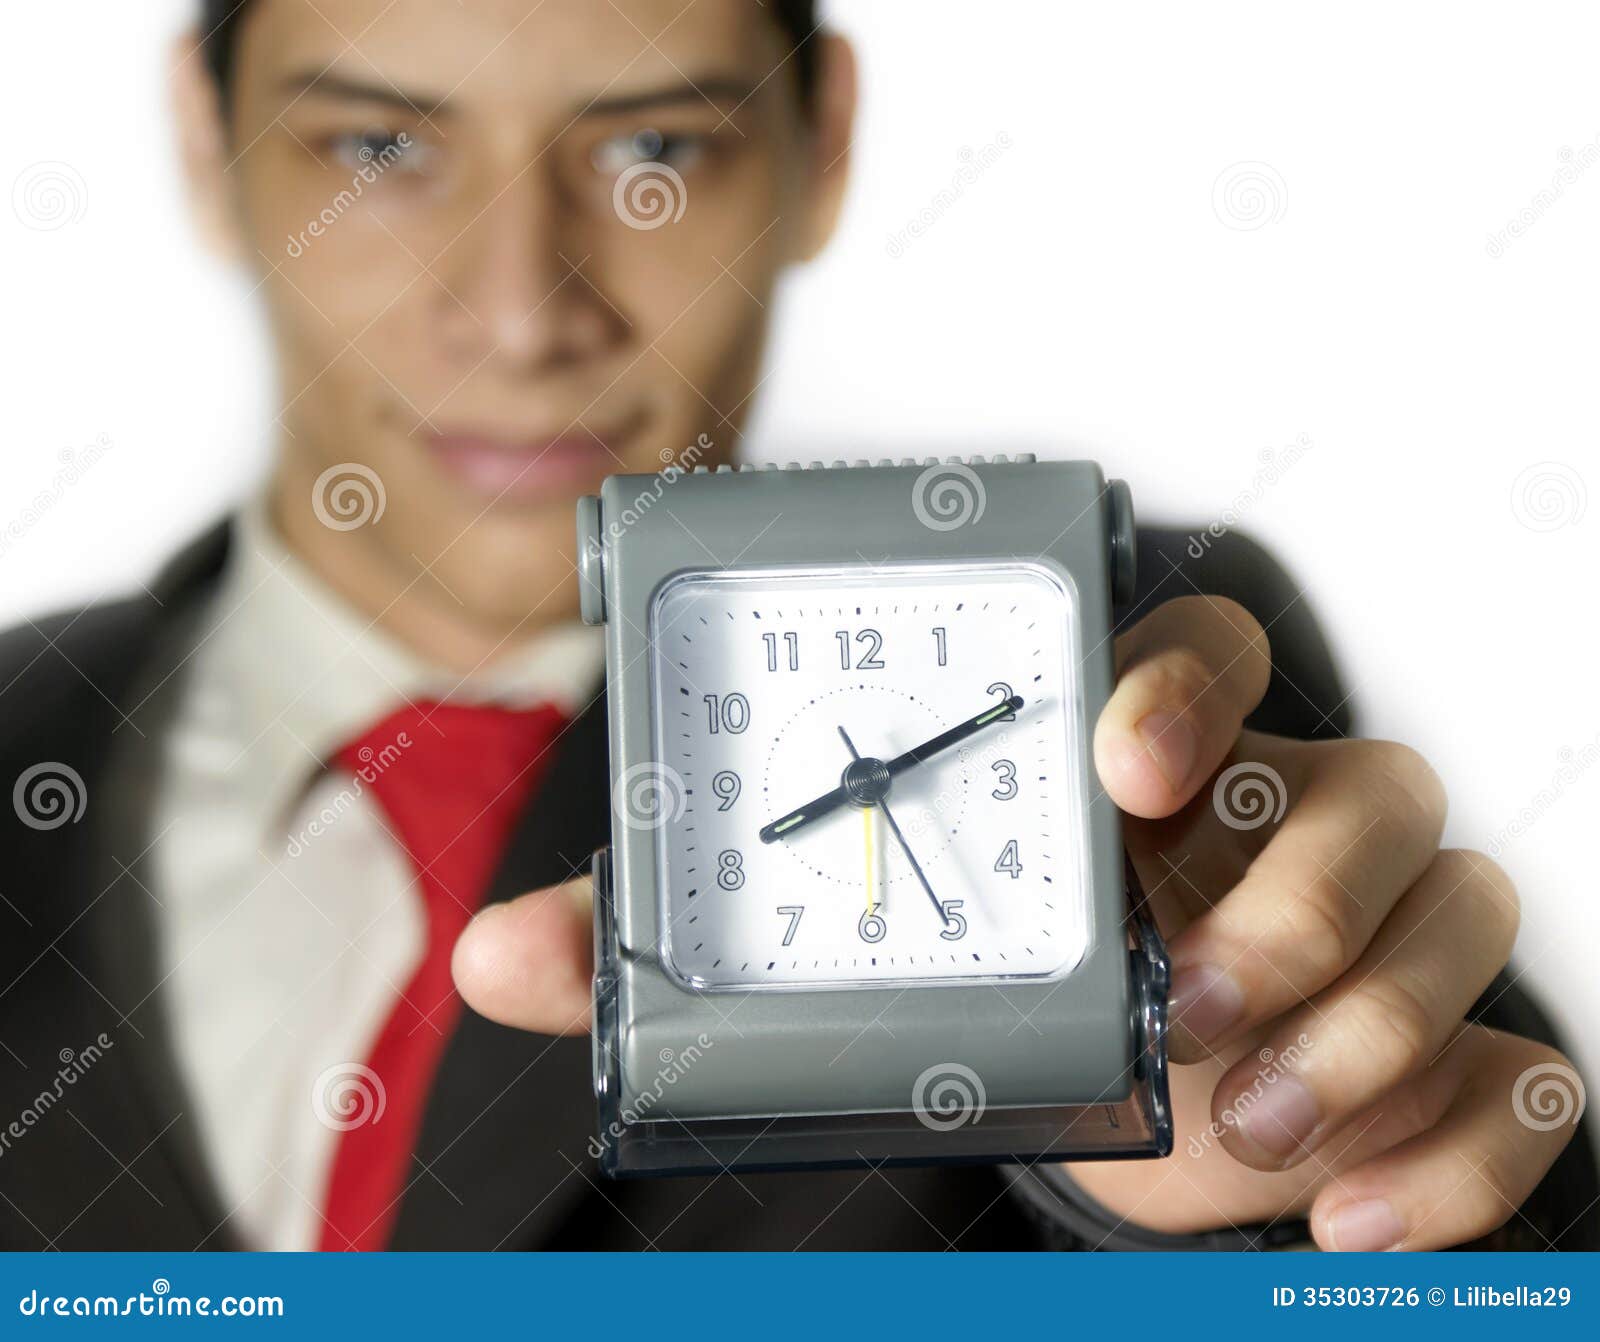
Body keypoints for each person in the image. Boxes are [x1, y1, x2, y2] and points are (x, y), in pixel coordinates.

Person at [0, 0, 1592, 1252]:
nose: (522, 309)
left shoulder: (1118, 664)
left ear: (823, 142)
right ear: (207, 147)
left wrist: (1277, 1188)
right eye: (377, 149)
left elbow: (1496, 1242)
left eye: (657, 153)